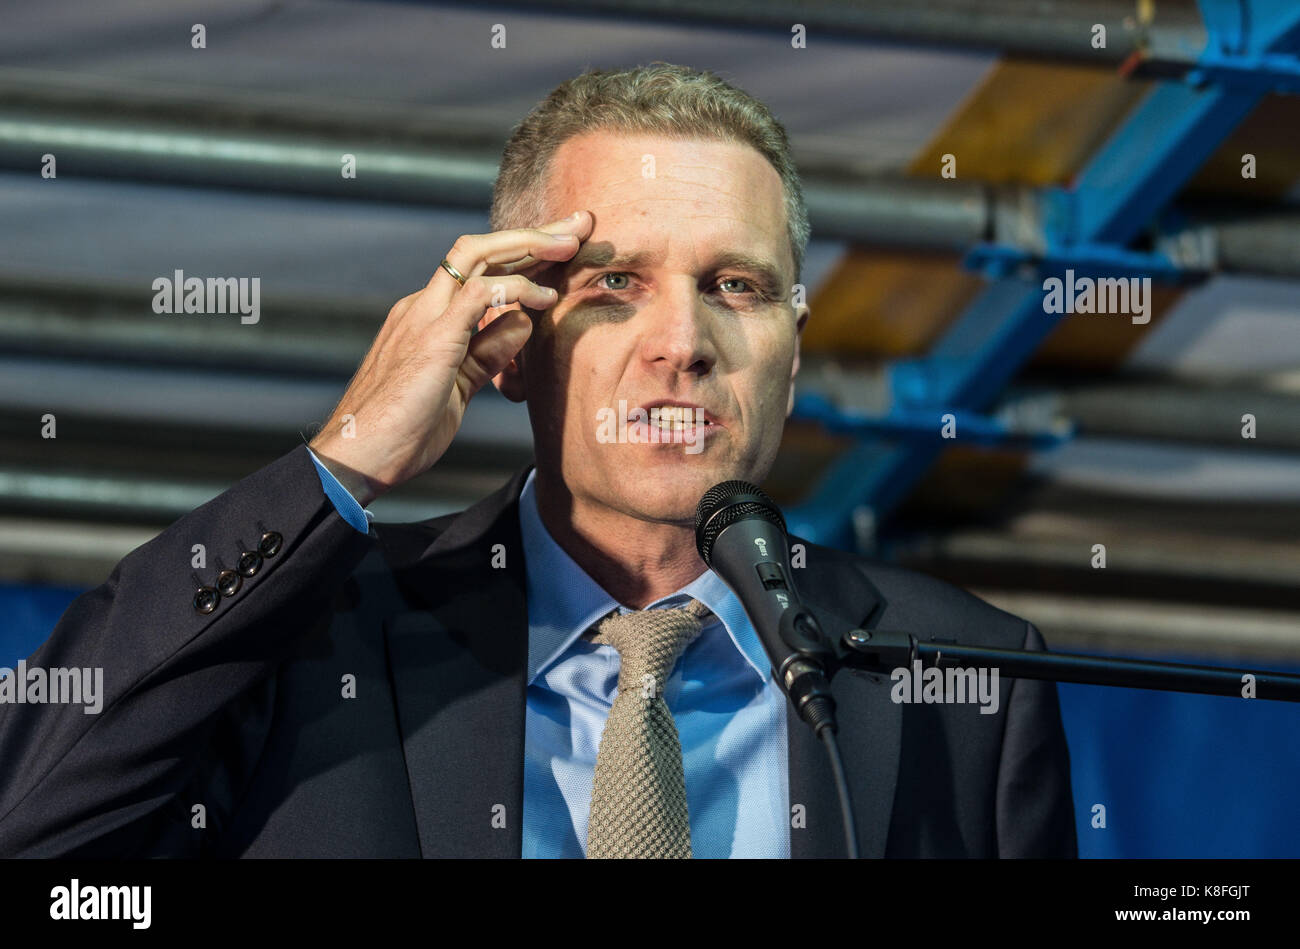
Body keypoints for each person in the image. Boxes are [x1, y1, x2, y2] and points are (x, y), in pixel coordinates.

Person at [0, 63, 1075, 858]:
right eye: (614, 285)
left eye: (735, 286)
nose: (683, 342)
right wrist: (348, 456)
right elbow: (30, 820)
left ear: (790, 360)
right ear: (509, 343)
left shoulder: (961, 677)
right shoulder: (311, 630)